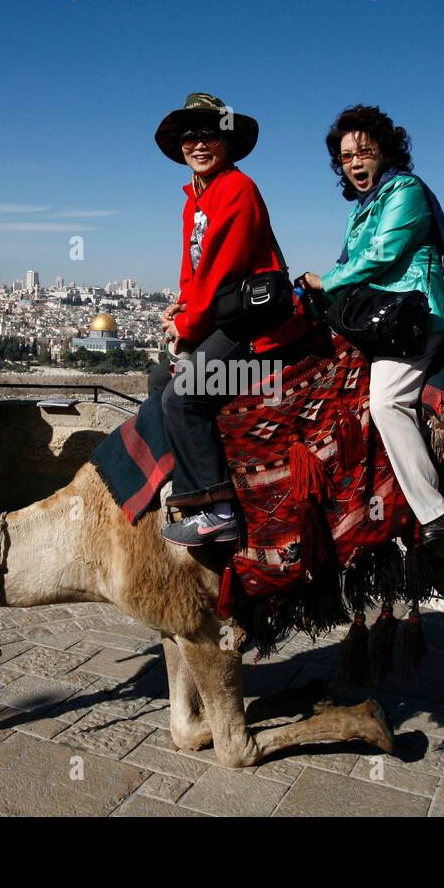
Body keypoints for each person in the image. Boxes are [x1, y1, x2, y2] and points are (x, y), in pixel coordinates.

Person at [300, 105, 444, 550]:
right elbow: (350, 260)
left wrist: (325, 281)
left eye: (364, 152)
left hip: (411, 318)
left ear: (385, 153)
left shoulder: (405, 191)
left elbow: (382, 254)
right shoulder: (364, 207)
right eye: (347, 157)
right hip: (376, 316)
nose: (355, 163)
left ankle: (433, 514)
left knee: (388, 402)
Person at [152, 92, 299, 547]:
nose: (198, 144)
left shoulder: (237, 189)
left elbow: (221, 267)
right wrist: (180, 306)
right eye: (189, 136)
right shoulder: (194, 197)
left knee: (183, 399)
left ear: (227, 143)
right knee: (161, 378)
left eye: (208, 134)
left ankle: (215, 511)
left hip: (250, 322)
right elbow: (192, 269)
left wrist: (188, 327)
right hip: (220, 313)